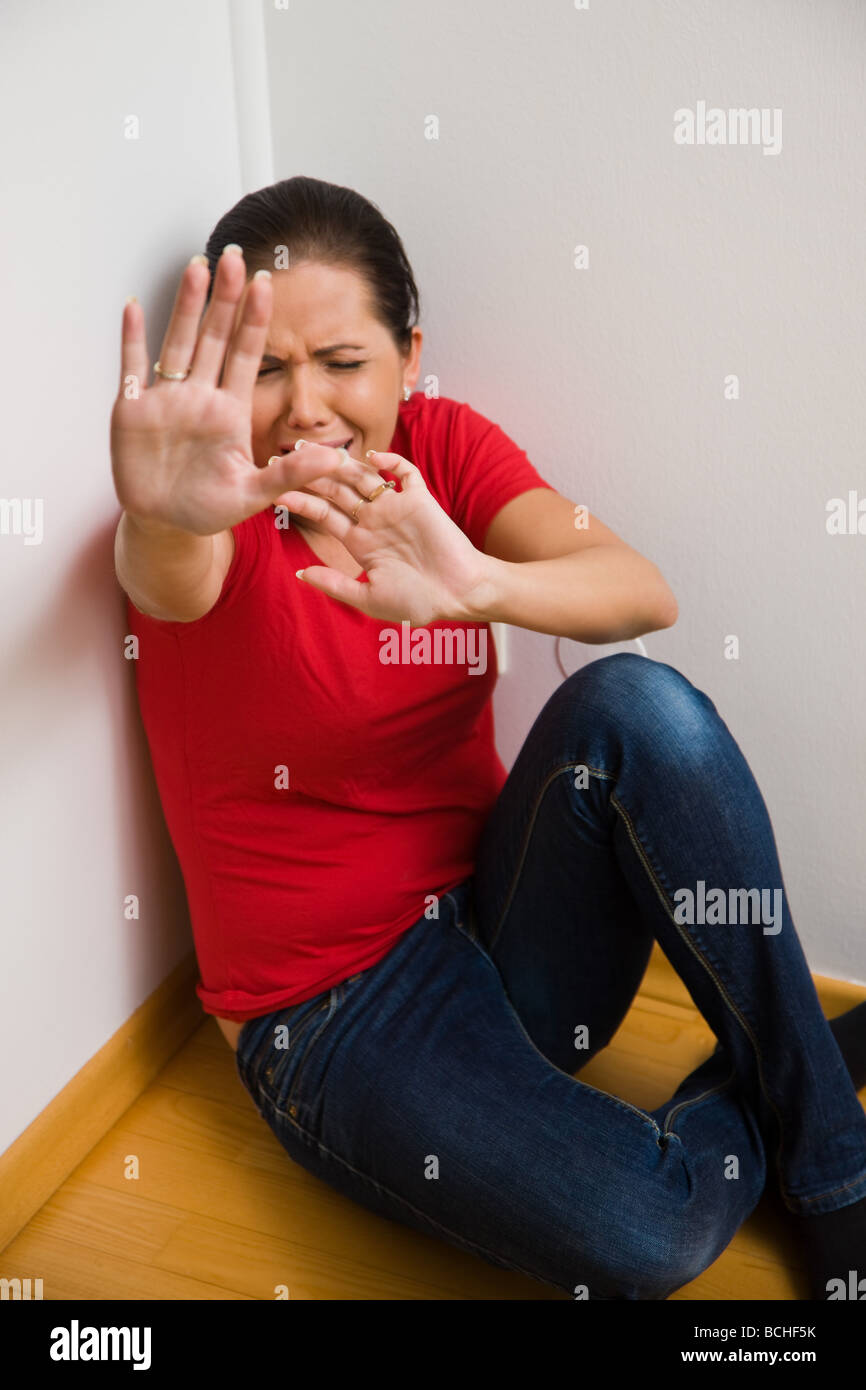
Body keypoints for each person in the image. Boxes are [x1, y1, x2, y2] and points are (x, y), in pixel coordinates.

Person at [111, 175, 866, 1301]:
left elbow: (640, 591)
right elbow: (164, 576)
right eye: (266, 368)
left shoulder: (442, 449)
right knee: (650, 1233)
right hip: (337, 1014)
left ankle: (829, 1170)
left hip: (502, 923)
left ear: (408, 357)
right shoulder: (204, 526)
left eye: (342, 361)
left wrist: (474, 582)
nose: (305, 406)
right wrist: (163, 511)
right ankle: (786, 1063)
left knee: (637, 704)